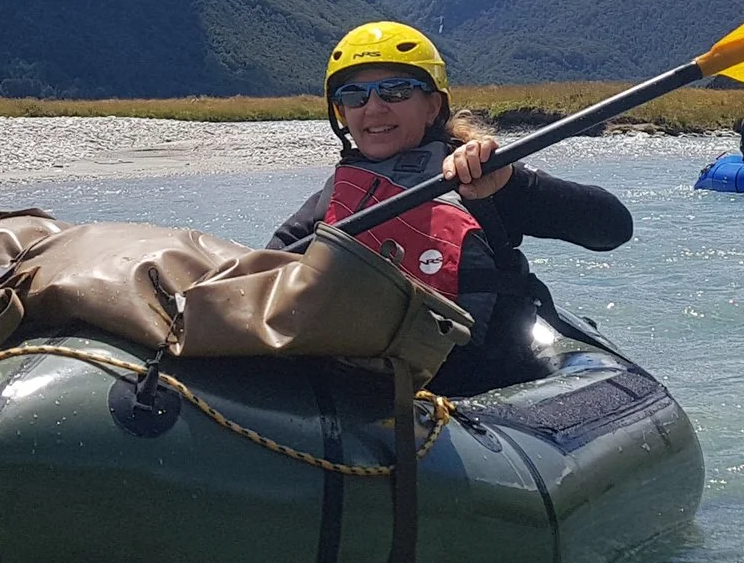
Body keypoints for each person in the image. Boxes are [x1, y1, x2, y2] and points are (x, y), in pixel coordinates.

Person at [270, 21, 633, 396]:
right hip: (375, 388)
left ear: (432, 105)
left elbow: (613, 227)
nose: (373, 108)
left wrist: (511, 185)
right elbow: (265, 270)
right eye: (354, 95)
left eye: (395, 91)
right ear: (341, 112)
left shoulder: (475, 173)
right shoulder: (337, 195)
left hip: (484, 386)